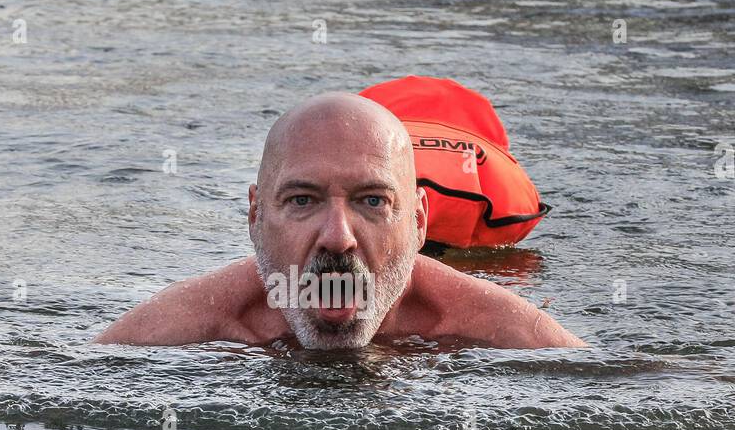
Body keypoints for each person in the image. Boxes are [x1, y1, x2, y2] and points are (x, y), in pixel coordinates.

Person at [94, 92, 584, 350]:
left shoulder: (497, 329)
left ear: (417, 222)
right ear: (255, 216)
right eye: (303, 201)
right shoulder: (179, 327)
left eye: (372, 202)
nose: (338, 238)